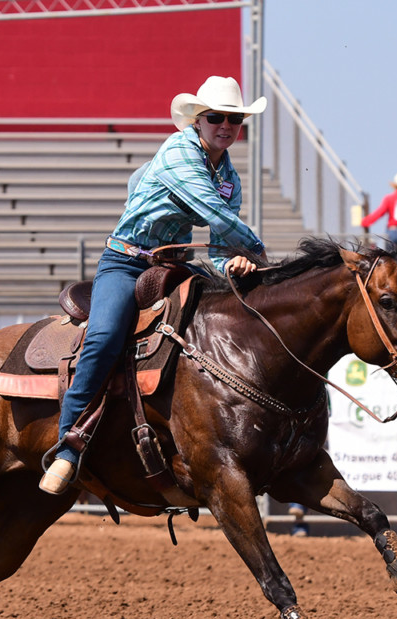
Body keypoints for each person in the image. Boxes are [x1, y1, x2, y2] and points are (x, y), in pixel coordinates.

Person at [39, 75, 267, 494]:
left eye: (234, 119)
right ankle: (67, 446)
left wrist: (234, 262)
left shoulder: (229, 177)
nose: (226, 125)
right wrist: (257, 250)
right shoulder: (180, 151)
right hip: (125, 262)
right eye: (216, 117)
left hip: (175, 266)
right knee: (105, 338)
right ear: (197, 121)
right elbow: (215, 215)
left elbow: (219, 245)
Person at [360, 172, 397, 252]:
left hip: (392, 232)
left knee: (391, 260)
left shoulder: (389, 198)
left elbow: (379, 212)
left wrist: (365, 221)